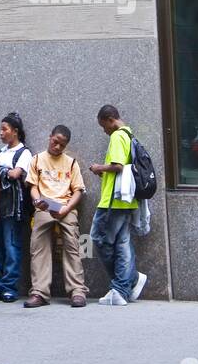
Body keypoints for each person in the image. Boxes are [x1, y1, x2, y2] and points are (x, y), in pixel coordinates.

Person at [24, 124, 88, 308]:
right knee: (38, 246)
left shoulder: (71, 163)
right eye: (55, 142)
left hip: (65, 206)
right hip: (44, 206)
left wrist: (67, 208)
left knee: (73, 246)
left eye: (62, 145)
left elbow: (78, 190)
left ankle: (77, 291)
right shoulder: (37, 159)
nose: (57, 147)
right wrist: (37, 202)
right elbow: (33, 187)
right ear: (50, 137)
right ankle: (39, 292)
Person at [89, 105, 147, 306]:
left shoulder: (117, 136)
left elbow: (118, 166)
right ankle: (122, 288)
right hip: (126, 200)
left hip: (112, 201)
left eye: (103, 125)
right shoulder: (130, 135)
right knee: (122, 243)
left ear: (109, 119)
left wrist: (98, 167)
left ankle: (125, 283)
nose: (104, 130)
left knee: (99, 238)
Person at [0, 112, 32, 304]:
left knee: (11, 247)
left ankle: (9, 287)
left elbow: (15, 174)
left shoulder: (24, 153)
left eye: (4, 129)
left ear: (15, 132)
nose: (1, 133)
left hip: (13, 208)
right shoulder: (0, 152)